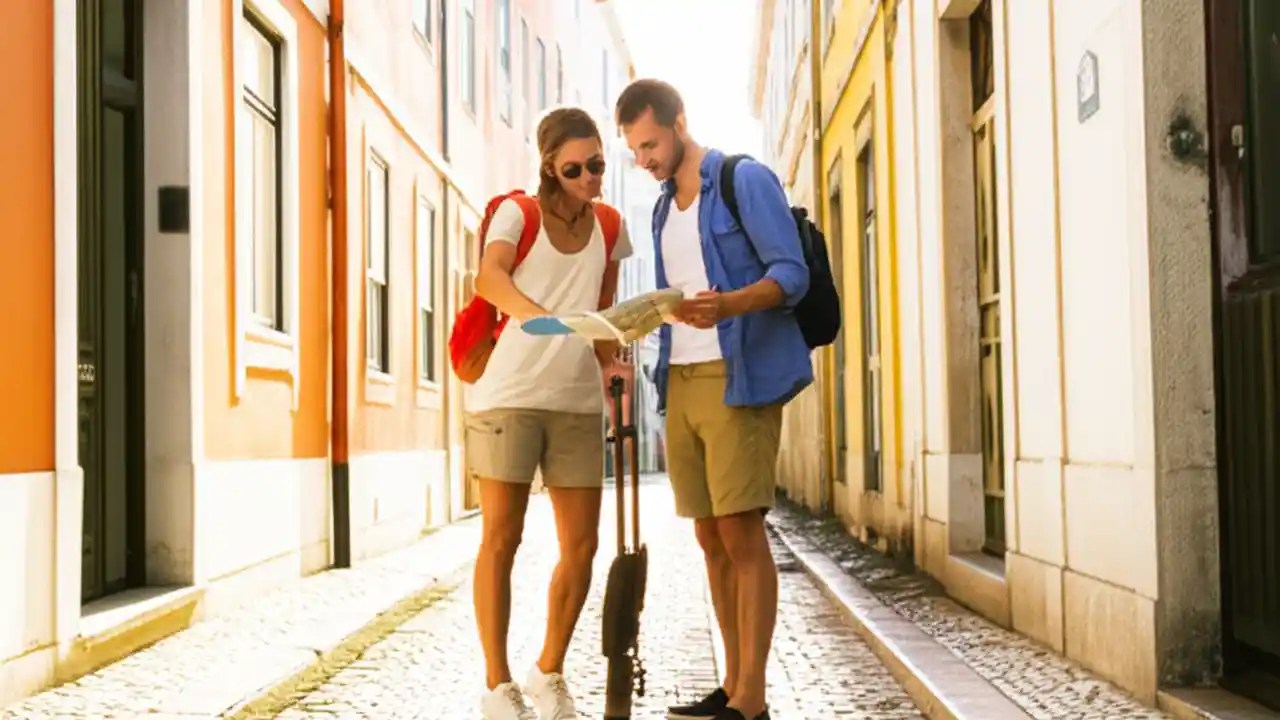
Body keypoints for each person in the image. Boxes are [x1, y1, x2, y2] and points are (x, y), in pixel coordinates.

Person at [614, 79, 812, 720]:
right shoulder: (661, 208)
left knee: (741, 531)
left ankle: (751, 697)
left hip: (741, 375)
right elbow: (679, 295)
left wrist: (727, 304)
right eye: (634, 150)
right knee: (707, 535)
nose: (643, 160)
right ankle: (732, 685)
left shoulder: (742, 180)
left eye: (649, 144)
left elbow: (791, 275)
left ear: (679, 123)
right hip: (681, 379)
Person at [467, 107, 633, 720]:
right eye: (577, 167)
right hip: (509, 393)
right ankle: (497, 685)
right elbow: (490, 278)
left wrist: (612, 360)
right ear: (549, 166)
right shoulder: (519, 213)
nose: (591, 176)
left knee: (582, 545)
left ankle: (549, 671)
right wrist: (542, 316)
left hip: (575, 401)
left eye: (598, 164)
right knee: (502, 539)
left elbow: (604, 310)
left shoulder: (611, 225)